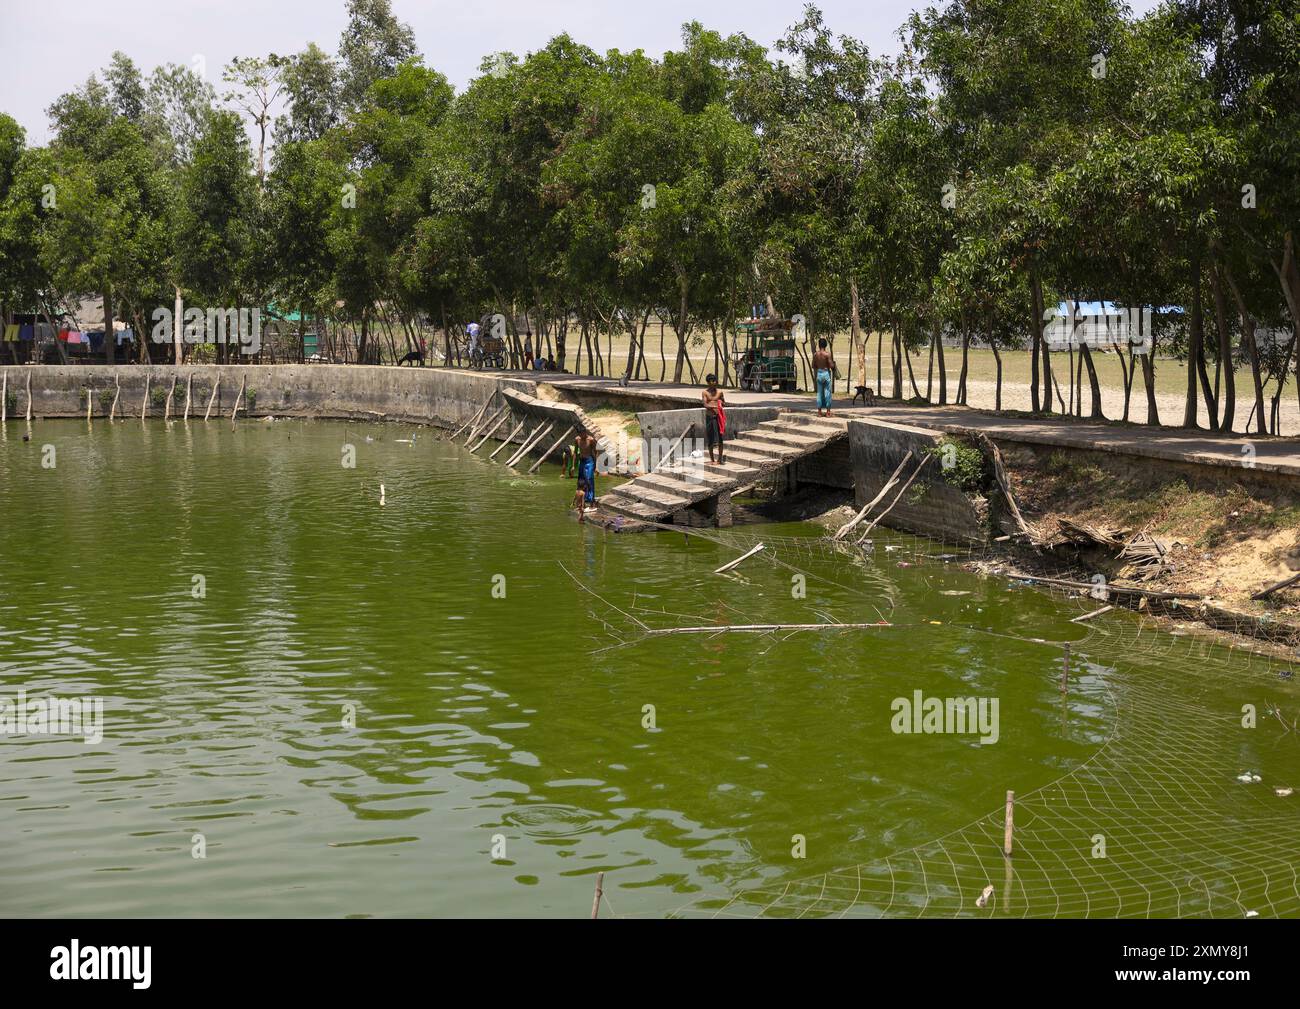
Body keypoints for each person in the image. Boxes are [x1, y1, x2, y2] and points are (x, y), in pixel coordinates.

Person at [701, 373, 726, 465]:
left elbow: (723, 402)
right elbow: (705, 404)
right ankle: (712, 459)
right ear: (708, 382)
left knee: (720, 438)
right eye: (712, 381)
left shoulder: (720, 392)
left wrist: (720, 404)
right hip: (709, 417)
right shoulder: (705, 393)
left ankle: (720, 459)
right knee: (710, 438)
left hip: (718, 417)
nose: (714, 383)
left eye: (715, 381)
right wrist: (712, 407)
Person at [812, 338, 836, 416]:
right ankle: (828, 412)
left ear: (819, 345)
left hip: (819, 373)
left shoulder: (815, 354)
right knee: (827, 393)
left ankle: (819, 412)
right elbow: (831, 365)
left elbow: (813, 365)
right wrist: (833, 365)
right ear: (825, 345)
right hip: (826, 373)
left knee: (819, 393)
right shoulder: (827, 354)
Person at [575, 431, 598, 504]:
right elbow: (575, 452)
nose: (582, 436)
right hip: (581, 460)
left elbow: (595, 452)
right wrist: (574, 464)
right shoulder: (577, 439)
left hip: (589, 461)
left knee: (589, 479)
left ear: (585, 432)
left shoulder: (591, 440)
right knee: (581, 480)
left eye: (583, 434)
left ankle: (591, 498)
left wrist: (596, 466)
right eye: (580, 434)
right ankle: (582, 497)